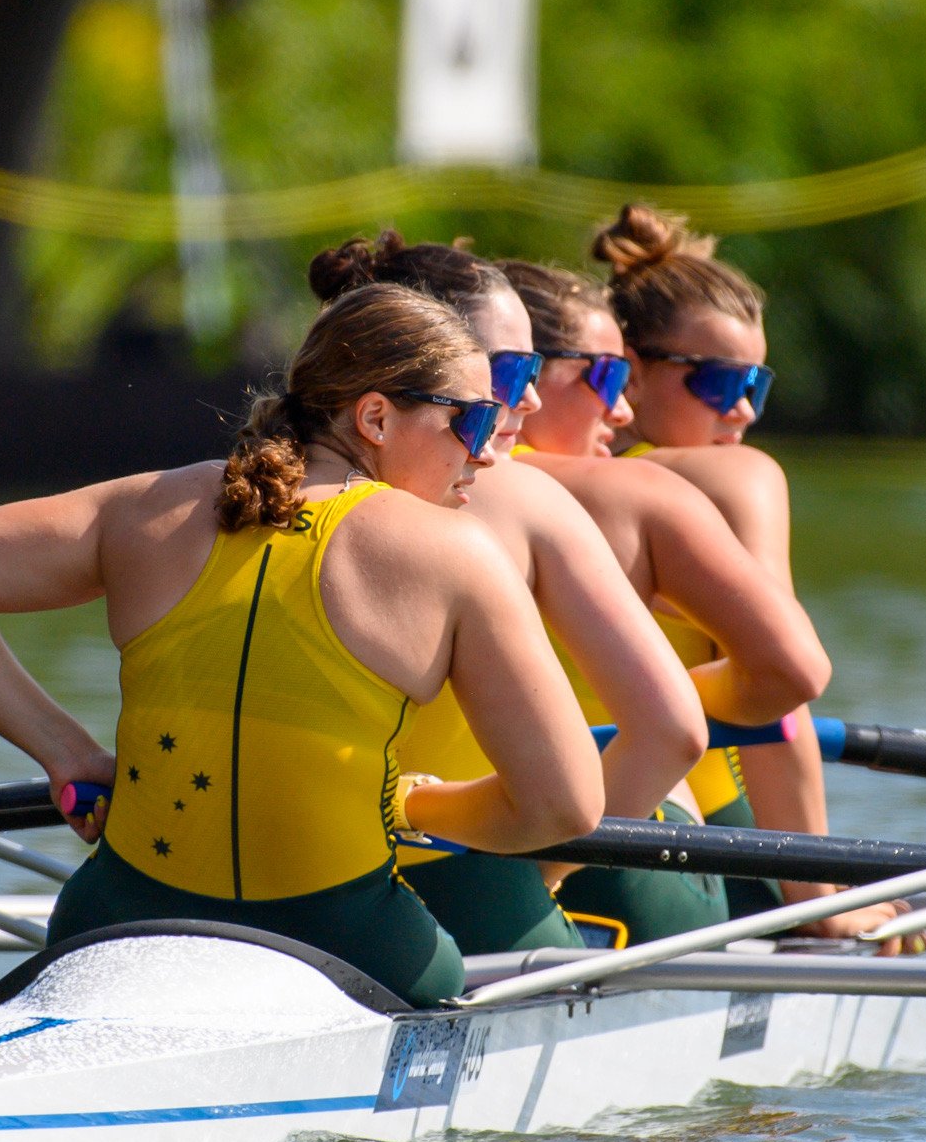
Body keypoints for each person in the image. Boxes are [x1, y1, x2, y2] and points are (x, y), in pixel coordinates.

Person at [0, 283, 604, 1005]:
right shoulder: (457, 552)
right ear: (375, 417)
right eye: (472, 424)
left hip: (116, 924)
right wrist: (415, 810)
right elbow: (566, 808)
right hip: (349, 941)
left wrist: (67, 753)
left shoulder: (146, 506)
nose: (488, 456)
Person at [312, 234, 828, 950]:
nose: (621, 410)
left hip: (348, 859)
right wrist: (822, 901)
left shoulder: (260, 488)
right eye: (609, 379)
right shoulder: (670, 486)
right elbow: (784, 686)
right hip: (583, 847)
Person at [504, 252, 909, 948]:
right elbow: (786, 694)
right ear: (631, 360)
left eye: (757, 384)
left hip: (490, 834)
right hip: (649, 846)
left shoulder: (437, 478)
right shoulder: (724, 480)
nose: (743, 410)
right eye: (720, 383)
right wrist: (819, 901)